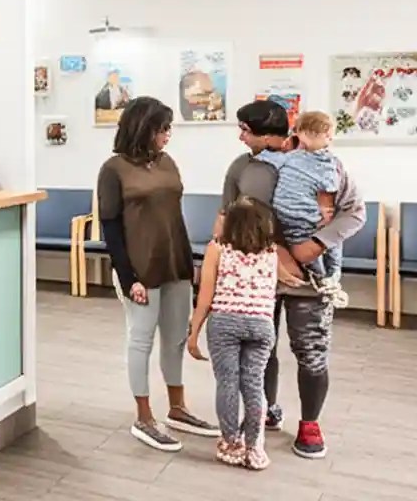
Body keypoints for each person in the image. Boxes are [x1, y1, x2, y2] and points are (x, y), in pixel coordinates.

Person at [219, 100, 364, 459]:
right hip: (258, 280)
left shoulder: (330, 166)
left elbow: (354, 214)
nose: (239, 137)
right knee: (258, 350)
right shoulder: (241, 168)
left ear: (271, 134)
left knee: (311, 353)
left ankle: (310, 423)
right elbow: (228, 222)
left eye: (245, 130)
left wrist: (316, 245)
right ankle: (264, 409)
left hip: (309, 281)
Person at [98, 96, 219, 452]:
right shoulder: (113, 169)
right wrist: (127, 277)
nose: (168, 135)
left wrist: (190, 260)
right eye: (162, 128)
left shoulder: (167, 162)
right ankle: (144, 416)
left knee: (175, 338)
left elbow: (172, 215)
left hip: (175, 262)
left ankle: (178, 409)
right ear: (143, 128)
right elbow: (111, 227)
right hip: (139, 269)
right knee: (141, 340)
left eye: (169, 128)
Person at [188, 198, 279, 471]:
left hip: (225, 322)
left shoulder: (217, 249)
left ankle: (230, 443)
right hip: (262, 325)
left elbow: (205, 296)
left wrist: (194, 332)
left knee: (227, 382)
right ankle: (255, 447)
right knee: (254, 384)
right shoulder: (272, 252)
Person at [254, 111, 348, 308]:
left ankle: (325, 278)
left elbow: (265, 156)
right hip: (303, 218)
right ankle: (328, 278)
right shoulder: (328, 163)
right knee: (327, 242)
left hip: (291, 216)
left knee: (323, 242)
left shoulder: (291, 158)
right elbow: (330, 188)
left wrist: (279, 144)